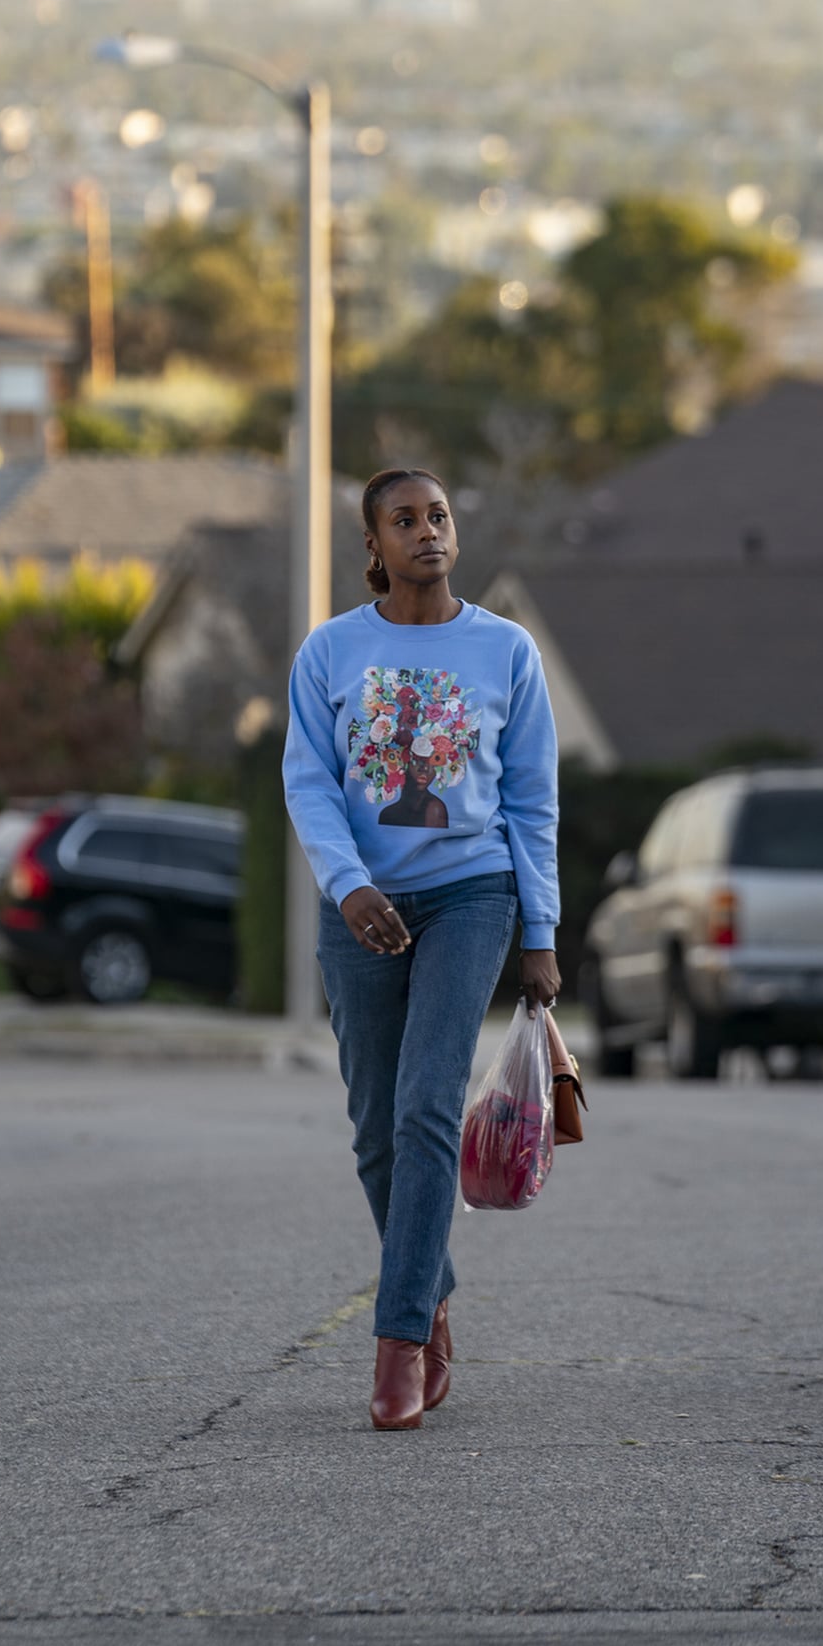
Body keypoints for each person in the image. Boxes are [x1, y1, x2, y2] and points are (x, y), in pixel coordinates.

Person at [283, 466, 562, 1432]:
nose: (427, 531)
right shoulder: (330, 651)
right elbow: (309, 783)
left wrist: (540, 932)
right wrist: (348, 884)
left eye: (438, 515)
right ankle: (429, 1288)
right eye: (404, 520)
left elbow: (532, 802)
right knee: (375, 1129)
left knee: (426, 1107)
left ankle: (400, 1341)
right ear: (374, 544)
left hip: (470, 896)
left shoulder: (506, 650)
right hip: (359, 903)